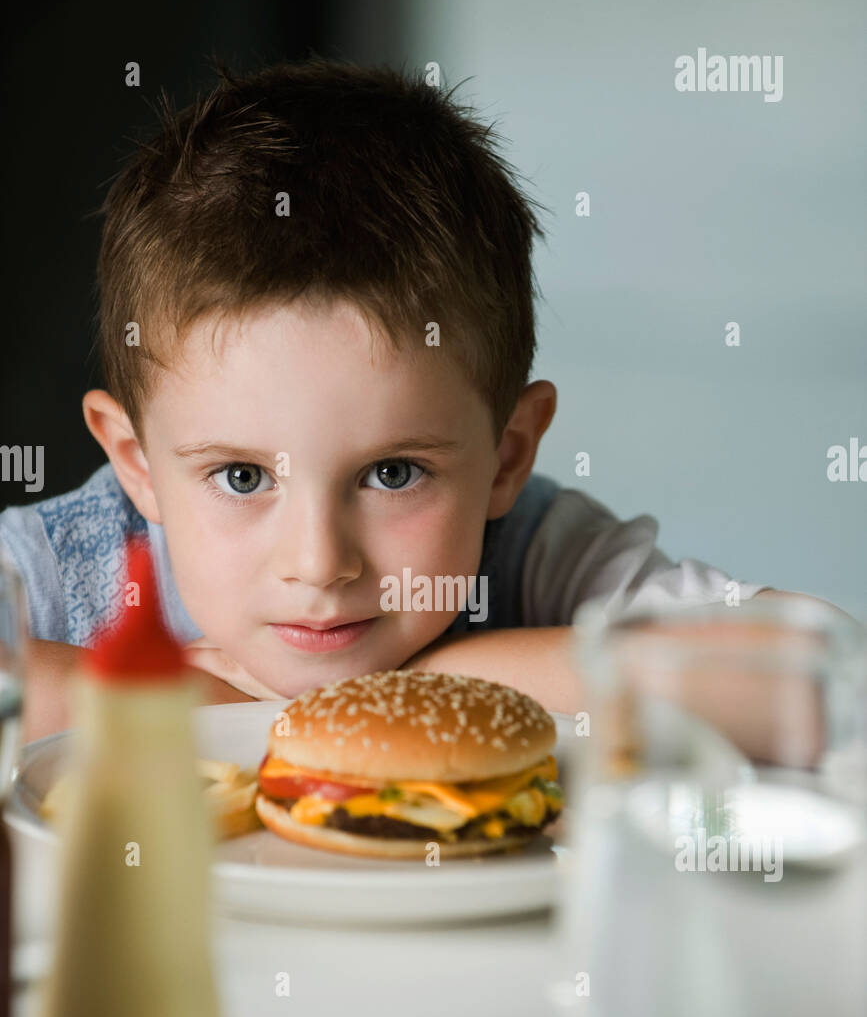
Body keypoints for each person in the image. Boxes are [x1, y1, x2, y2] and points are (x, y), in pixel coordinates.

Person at [0, 58, 807, 743]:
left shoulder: (534, 555)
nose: (317, 563)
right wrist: (177, 700)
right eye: (243, 477)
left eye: (392, 474)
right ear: (136, 463)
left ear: (507, 455)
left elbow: (817, 677)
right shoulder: (63, 569)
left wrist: (446, 687)